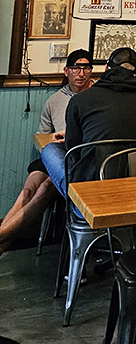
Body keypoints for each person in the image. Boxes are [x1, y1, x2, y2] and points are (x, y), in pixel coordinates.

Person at [0, 49, 93, 256]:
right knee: (27, 191)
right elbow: (41, 137)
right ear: (66, 71)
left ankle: (2, 240)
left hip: (78, 158)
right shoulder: (55, 100)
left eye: (86, 68)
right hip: (53, 154)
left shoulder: (97, 96)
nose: (81, 73)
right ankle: (3, 238)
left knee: (46, 187)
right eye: (76, 68)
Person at [41, 47, 136, 200]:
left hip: (91, 189)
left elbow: (73, 151)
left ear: (106, 68)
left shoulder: (81, 100)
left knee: (49, 150)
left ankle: (76, 203)